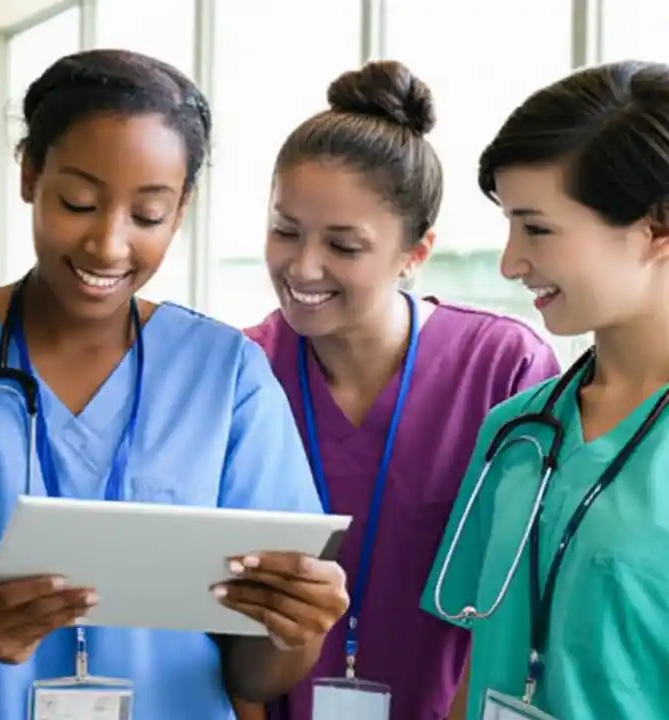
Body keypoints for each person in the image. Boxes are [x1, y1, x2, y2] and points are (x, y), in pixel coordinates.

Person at [0, 48, 350, 720]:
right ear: (29, 175)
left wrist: (295, 627)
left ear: (181, 209)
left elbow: (254, 671)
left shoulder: (227, 376)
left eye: (148, 216)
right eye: (78, 202)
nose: (107, 244)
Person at [236, 61, 561, 720]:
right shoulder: (242, 370)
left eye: (343, 245)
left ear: (416, 253)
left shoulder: (503, 367)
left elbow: (522, 598)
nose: (302, 266)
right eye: (285, 230)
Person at [422, 60, 669, 720]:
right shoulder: (518, 431)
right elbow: (478, 662)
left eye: (537, 228)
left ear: (657, 225)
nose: (510, 262)